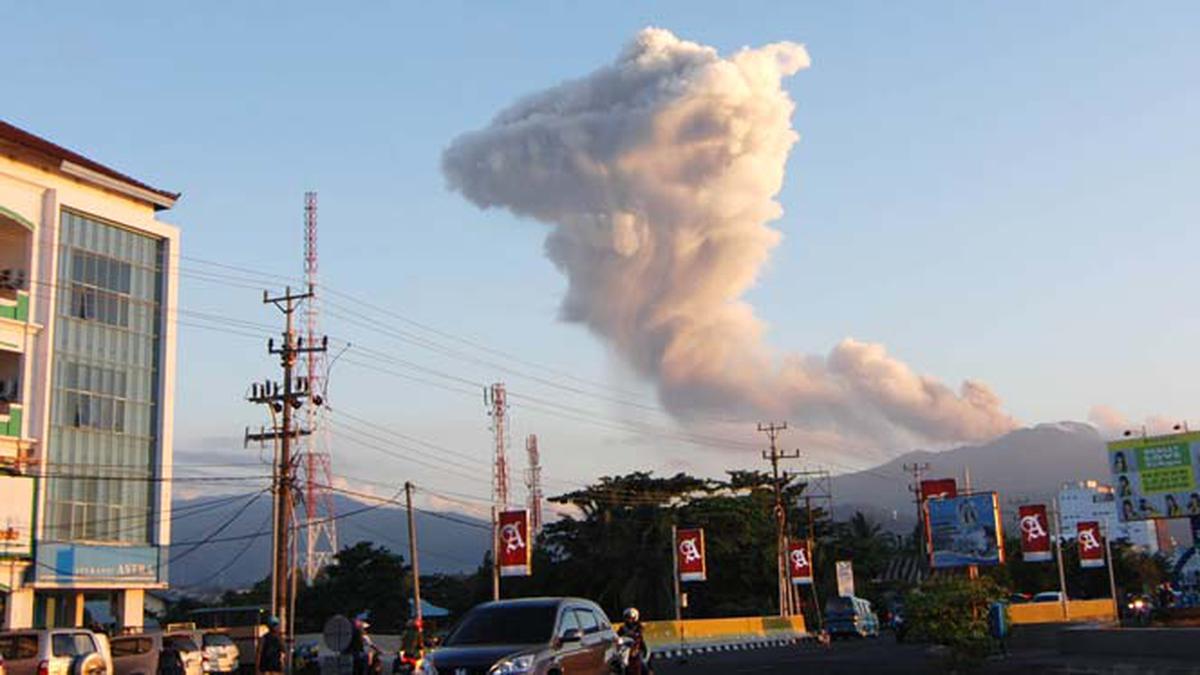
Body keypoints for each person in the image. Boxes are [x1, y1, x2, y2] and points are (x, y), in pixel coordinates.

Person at [617, 607, 649, 675]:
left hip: (637, 649)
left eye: (630, 618)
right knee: (620, 665)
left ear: (635, 618)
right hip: (625, 649)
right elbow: (617, 637)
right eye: (627, 617)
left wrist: (635, 635)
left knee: (642, 664)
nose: (628, 620)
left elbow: (640, 638)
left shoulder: (639, 627)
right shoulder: (622, 628)